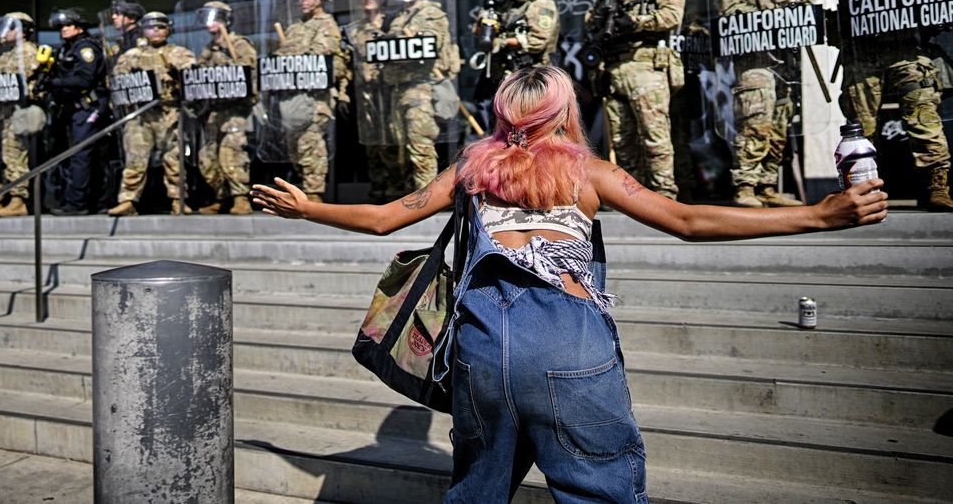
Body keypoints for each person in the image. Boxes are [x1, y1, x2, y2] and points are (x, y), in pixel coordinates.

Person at [251, 66, 887, 503]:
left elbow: (385, 217)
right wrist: (817, 214)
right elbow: (689, 221)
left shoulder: (471, 168)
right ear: (563, 112)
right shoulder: (589, 172)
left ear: (502, 112)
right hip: (570, 348)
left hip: (480, 352)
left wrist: (307, 207)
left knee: (477, 491)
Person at [835, 0, 953, 211]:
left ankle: (937, 185)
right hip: (866, 55)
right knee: (861, 126)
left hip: (910, 54)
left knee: (924, 117)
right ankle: (861, 189)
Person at [586, 0, 685, 199]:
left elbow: (671, 16)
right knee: (622, 139)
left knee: (654, 134)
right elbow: (590, 22)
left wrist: (635, 22)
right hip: (616, 69)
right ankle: (631, 195)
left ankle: (664, 194)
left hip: (647, 68)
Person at [720, 0, 811, 208]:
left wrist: (797, 11)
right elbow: (731, 14)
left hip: (787, 65)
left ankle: (768, 184)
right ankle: (745, 185)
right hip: (756, 64)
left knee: (780, 125)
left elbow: (809, 14)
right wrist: (774, 16)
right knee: (756, 123)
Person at [379, 0, 462, 194]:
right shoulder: (398, 17)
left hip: (421, 88)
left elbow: (430, 44)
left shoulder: (431, 13)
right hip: (398, 88)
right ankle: (409, 195)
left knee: (420, 143)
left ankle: (427, 198)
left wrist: (399, 41)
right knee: (401, 145)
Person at [107, 11, 196, 216]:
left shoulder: (180, 54)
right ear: (143, 30)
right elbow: (117, 84)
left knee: (174, 159)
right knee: (135, 158)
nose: (155, 30)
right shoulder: (131, 56)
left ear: (168, 29)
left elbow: (194, 80)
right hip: (141, 114)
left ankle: (178, 200)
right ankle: (128, 200)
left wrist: (178, 74)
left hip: (170, 111)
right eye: (150, 26)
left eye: (161, 26)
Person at [275, 0, 350, 202]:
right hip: (293, 97)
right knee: (295, 147)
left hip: (315, 97)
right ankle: (304, 191)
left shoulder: (326, 24)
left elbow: (323, 60)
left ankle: (314, 193)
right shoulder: (295, 27)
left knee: (311, 143)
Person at [195, 1, 258, 215]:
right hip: (215, 111)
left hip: (236, 110)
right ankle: (222, 197)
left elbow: (248, 74)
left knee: (232, 153)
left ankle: (241, 199)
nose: (210, 22)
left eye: (216, 17)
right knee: (207, 157)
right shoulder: (208, 50)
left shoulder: (239, 44)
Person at [47, 7, 108, 216]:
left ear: (80, 27)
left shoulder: (86, 48)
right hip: (72, 110)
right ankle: (97, 202)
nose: (63, 29)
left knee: (81, 156)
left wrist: (55, 83)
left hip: (88, 108)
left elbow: (85, 79)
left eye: (68, 26)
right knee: (82, 156)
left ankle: (76, 205)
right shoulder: (67, 48)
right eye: (62, 26)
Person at [346, 0, 394, 202]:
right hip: (366, 94)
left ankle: (397, 186)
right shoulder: (354, 29)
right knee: (372, 143)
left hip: (391, 91)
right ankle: (378, 186)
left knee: (395, 140)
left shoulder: (392, 24)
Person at [0, 12, 41, 217]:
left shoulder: (26, 51)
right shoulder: (6, 54)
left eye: (11, 27)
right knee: (9, 155)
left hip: (20, 110)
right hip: (6, 112)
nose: (6, 32)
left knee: (16, 154)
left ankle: (19, 199)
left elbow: (21, 79)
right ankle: (11, 196)